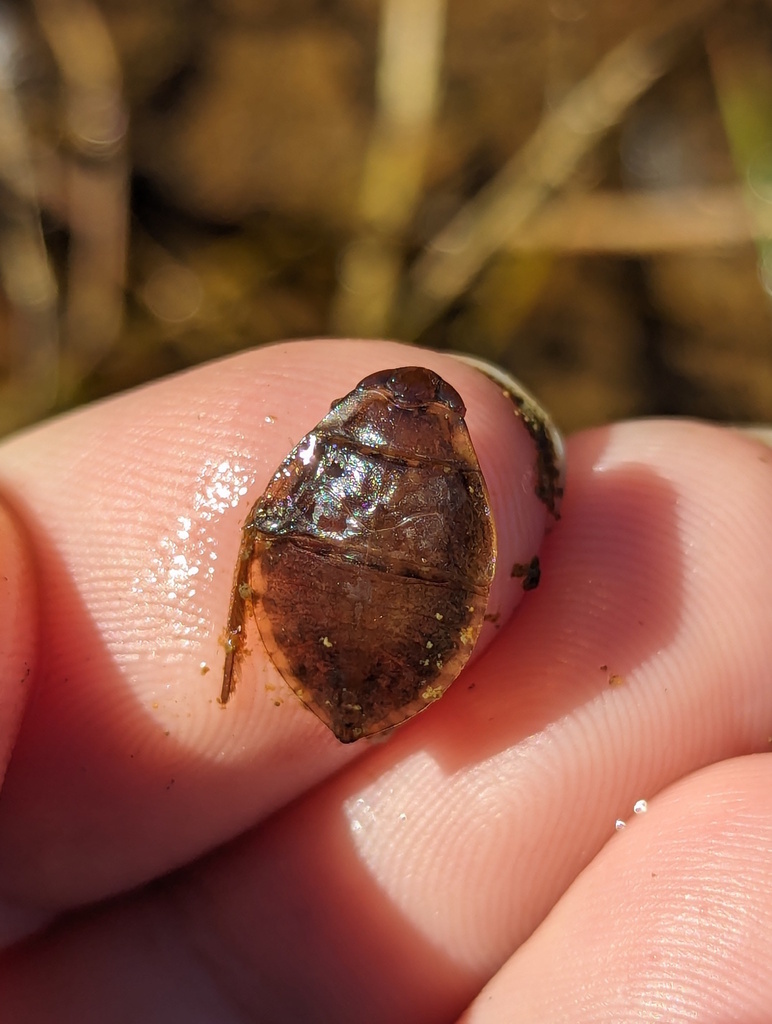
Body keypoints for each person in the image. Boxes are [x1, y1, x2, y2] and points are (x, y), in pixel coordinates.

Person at [0, 338, 770, 1023]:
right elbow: (464, 564)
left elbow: (270, 525)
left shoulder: (334, 465)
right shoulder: (460, 481)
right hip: (401, 610)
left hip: (348, 596)